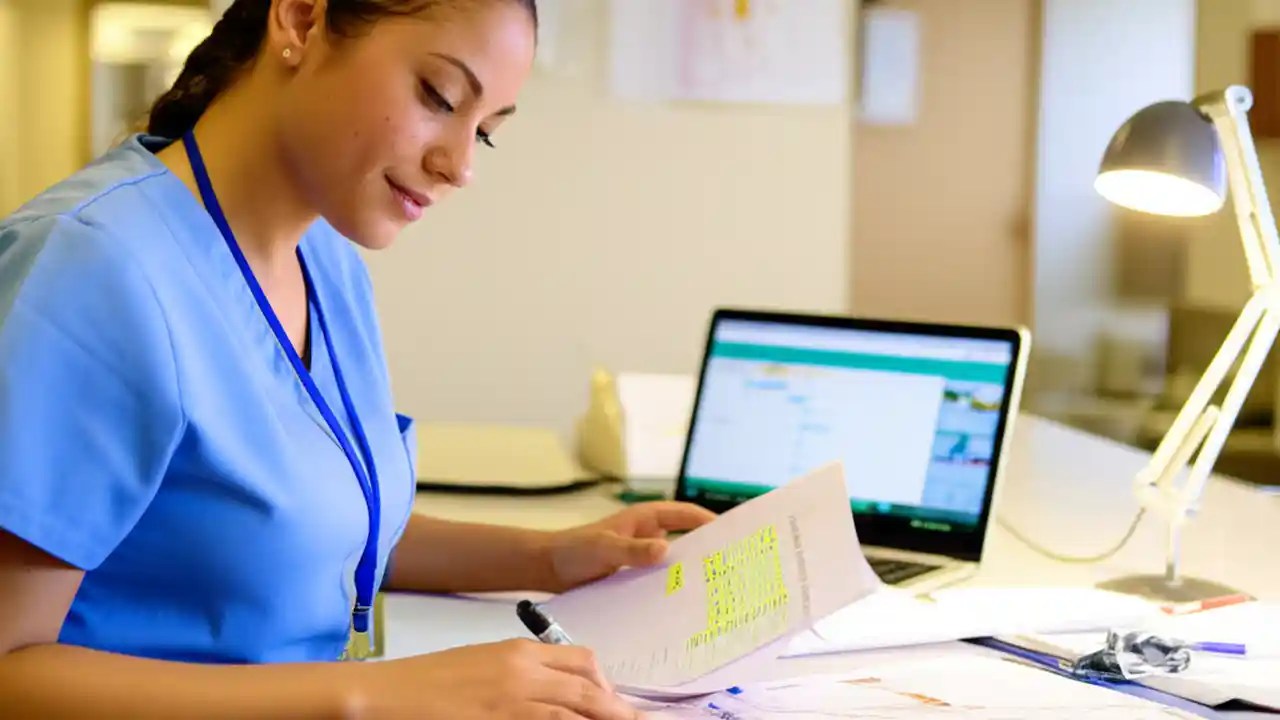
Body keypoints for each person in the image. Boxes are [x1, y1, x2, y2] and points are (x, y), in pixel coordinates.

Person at [0, 0, 715, 717]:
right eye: (438, 97)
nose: (459, 165)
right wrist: (374, 697)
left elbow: (310, 534)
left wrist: (548, 558)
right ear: (303, 20)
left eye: (486, 134)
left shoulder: (326, 258)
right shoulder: (91, 270)